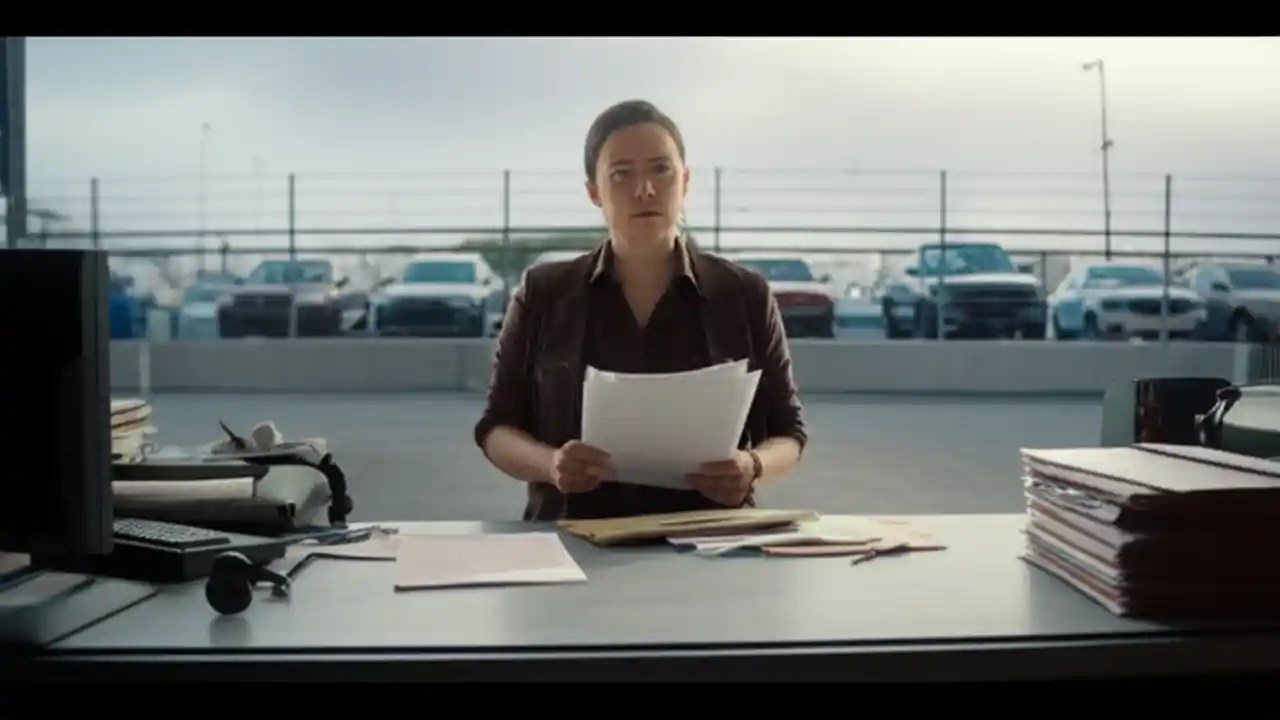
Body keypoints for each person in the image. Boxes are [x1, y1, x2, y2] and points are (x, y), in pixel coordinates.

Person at [473, 99, 807, 521]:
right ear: (594, 192)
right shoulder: (544, 292)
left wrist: (752, 467)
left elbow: (788, 432)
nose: (645, 188)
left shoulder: (744, 295)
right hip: (569, 542)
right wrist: (552, 465)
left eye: (660, 169)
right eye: (621, 174)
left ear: (685, 181)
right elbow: (496, 427)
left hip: (711, 543)